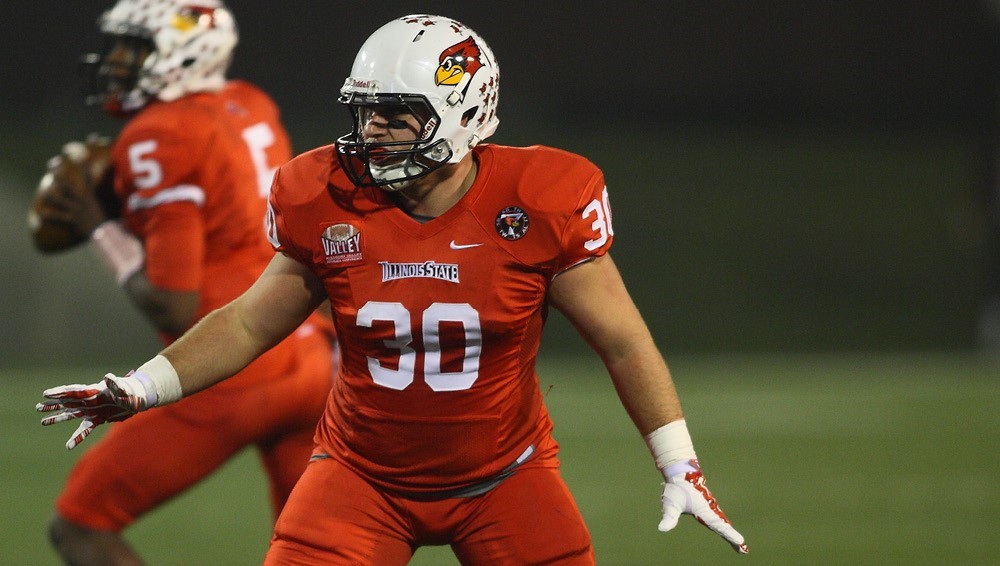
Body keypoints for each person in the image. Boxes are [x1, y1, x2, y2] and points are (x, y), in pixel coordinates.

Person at [38, 14, 747, 564]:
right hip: (359, 478)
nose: (371, 131)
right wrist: (142, 388)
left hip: (507, 477)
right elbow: (250, 321)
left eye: (396, 113)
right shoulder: (324, 194)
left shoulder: (538, 200)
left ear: (464, 114)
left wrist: (679, 464)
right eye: (365, 112)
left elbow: (623, 342)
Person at [31, 0, 336, 564]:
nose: (117, 62)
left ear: (186, 51)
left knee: (79, 527)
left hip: (227, 367)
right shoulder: (249, 103)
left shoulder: (159, 133)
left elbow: (174, 305)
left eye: (135, 48)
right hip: (307, 355)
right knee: (313, 553)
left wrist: (101, 227)